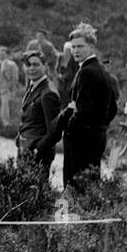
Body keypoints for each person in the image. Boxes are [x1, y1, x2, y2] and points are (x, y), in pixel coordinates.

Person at [47, 25, 116, 189]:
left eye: (80, 46)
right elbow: (111, 109)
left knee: (75, 187)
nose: (75, 51)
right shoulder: (101, 70)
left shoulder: (87, 72)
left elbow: (83, 111)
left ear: (91, 47)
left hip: (81, 140)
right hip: (96, 138)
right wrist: (99, 126)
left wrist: (69, 130)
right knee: (89, 186)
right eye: (73, 47)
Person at [17, 49, 62, 175]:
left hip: (38, 155)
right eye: (28, 65)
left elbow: (54, 132)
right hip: (24, 149)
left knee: (36, 191)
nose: (31, 68)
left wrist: (37, 149)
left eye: (36, 64)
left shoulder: (48, 93)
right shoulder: (33, 86)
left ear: (45, 66)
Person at [0, 46, 21, 130]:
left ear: (7, 54)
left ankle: (5, 123)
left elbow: (15, 78)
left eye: (3, 54)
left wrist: (10, 87)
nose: (0, 55)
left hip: (5, 86)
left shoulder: (12, 64)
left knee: (4, 104)